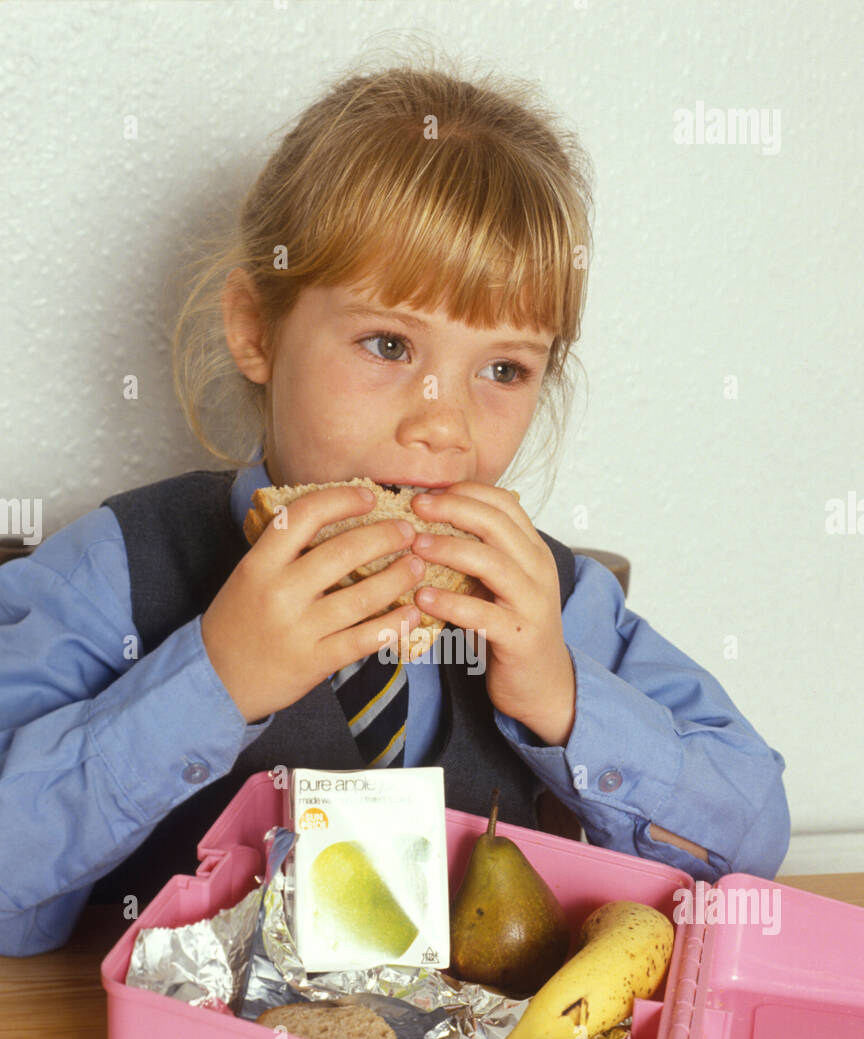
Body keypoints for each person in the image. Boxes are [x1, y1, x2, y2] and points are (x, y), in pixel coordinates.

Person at [0, 55, 789, 958]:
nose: (443, 424)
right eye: (387, 344)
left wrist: (566, 701)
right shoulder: (114, 569)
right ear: (256, 328)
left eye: (503, 369)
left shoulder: (553, 602)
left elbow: (751, 846)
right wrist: (210, 684)